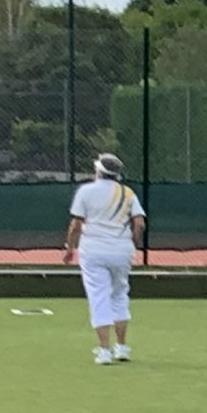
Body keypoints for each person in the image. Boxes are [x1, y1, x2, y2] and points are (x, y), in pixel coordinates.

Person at [63, 153, 145, 365]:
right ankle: (122, 347)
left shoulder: (86, 191)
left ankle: (104, 350)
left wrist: (69, 248)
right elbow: (139, 224)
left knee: (98, 296)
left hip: (94, 250)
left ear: (99, 171)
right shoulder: (128, 193)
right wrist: (132, 244)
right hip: (121, 250)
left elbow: (76, 225)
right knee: (119, 295)